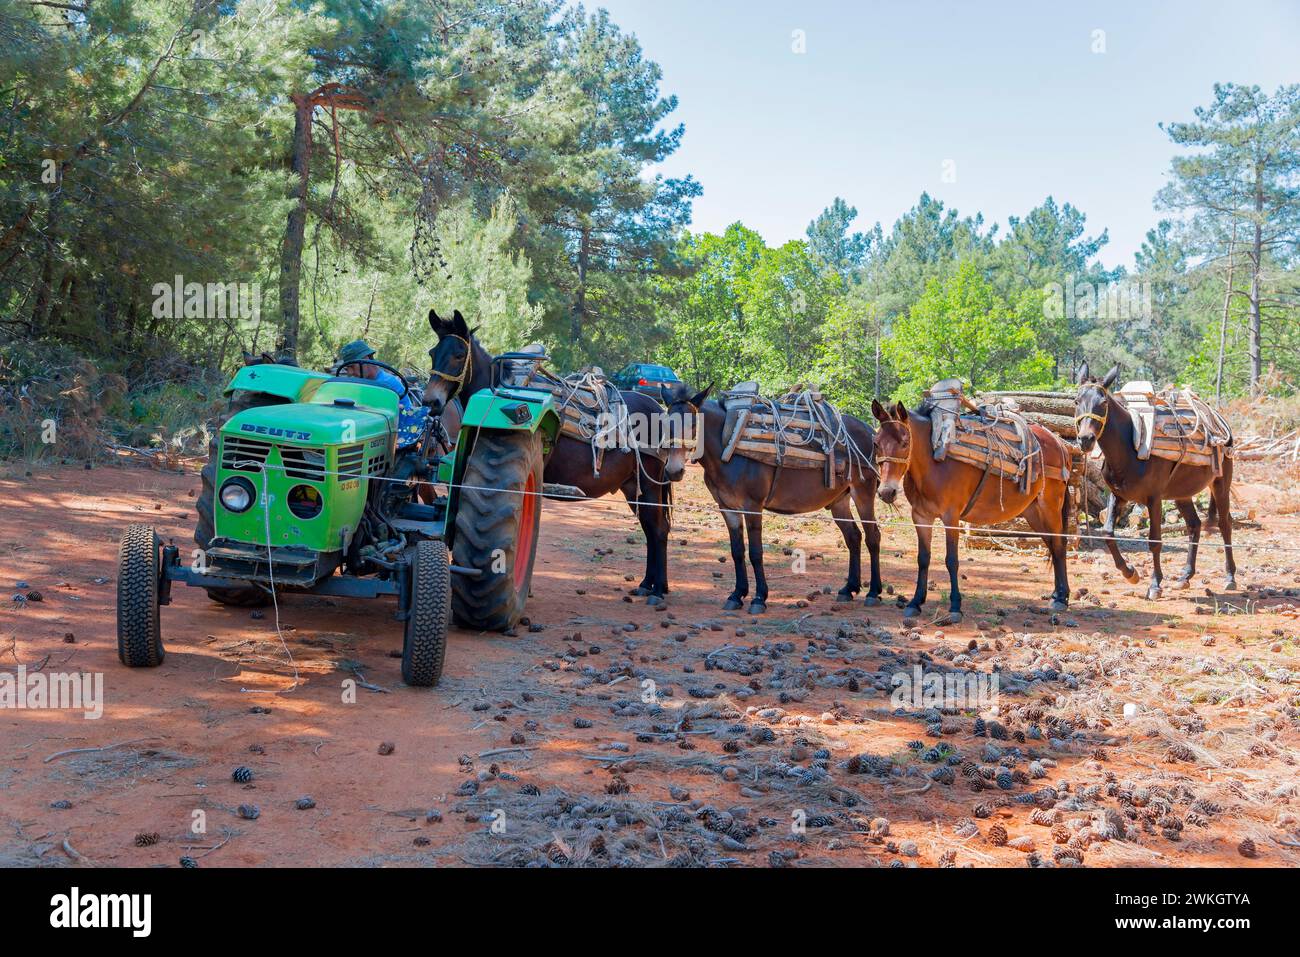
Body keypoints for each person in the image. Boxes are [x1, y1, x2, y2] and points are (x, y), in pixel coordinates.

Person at [335, 339, 427, 448]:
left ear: (365, 360)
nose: (350, 373)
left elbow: (404, 415)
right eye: (347, 368)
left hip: (389, 437)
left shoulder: (387, 383)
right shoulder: (362, 383)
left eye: (352, 367)